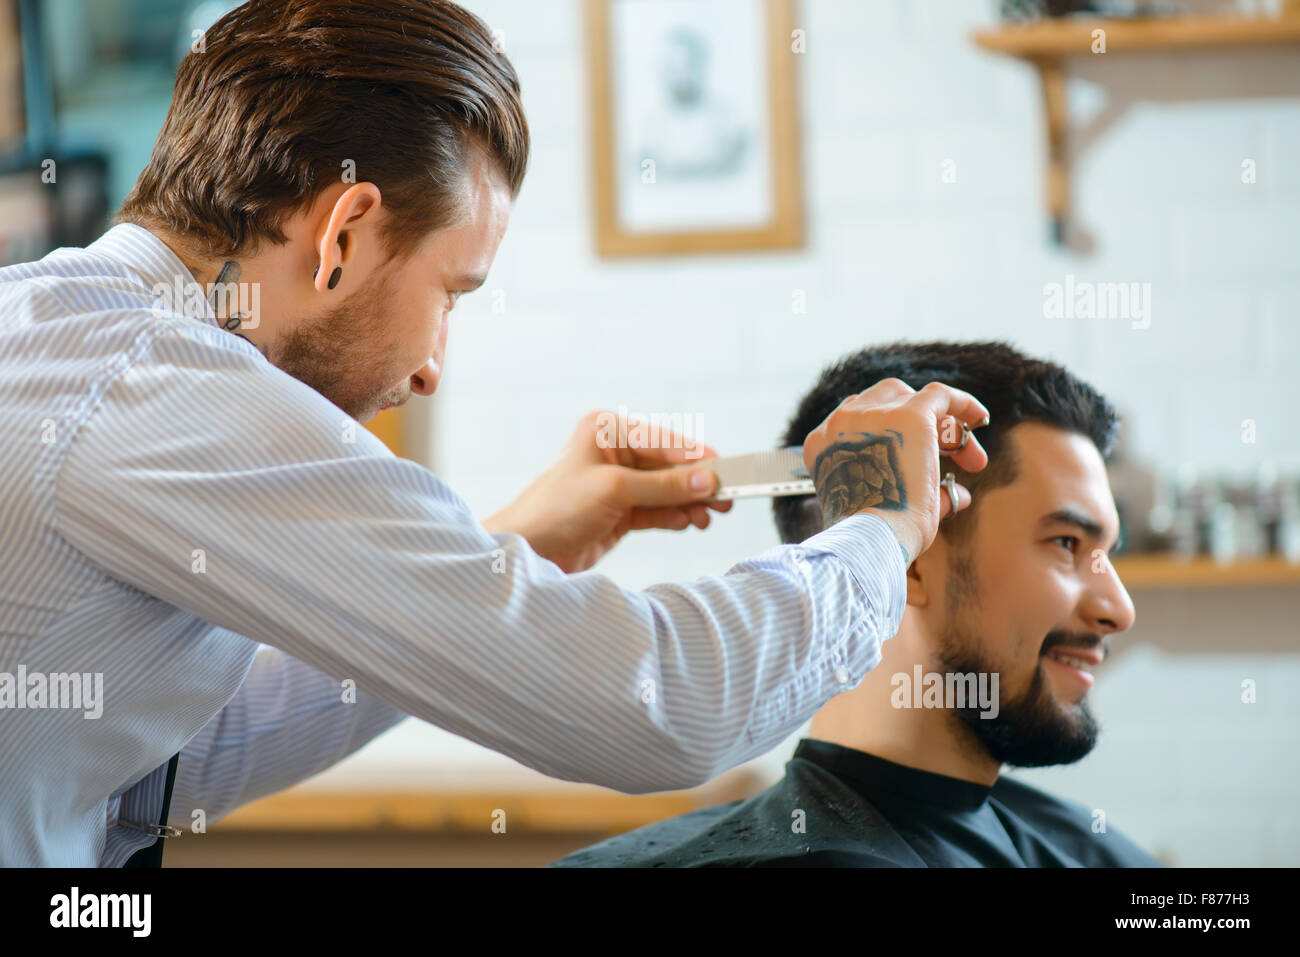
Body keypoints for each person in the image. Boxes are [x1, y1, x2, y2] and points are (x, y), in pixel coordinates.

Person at [0, 1, 989, 865]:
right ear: (343, 233)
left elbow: (150, 772)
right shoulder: (158, 390)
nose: (431, 366)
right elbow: (659, 709)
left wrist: (528, 545)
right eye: (451, 294)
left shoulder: (55, 334)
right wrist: (878, 525)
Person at [551, 341, 1162, 868]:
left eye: (1108, 551)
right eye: (1066, 543)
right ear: (909, 559)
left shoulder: (1078, 843)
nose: (1118, 608)